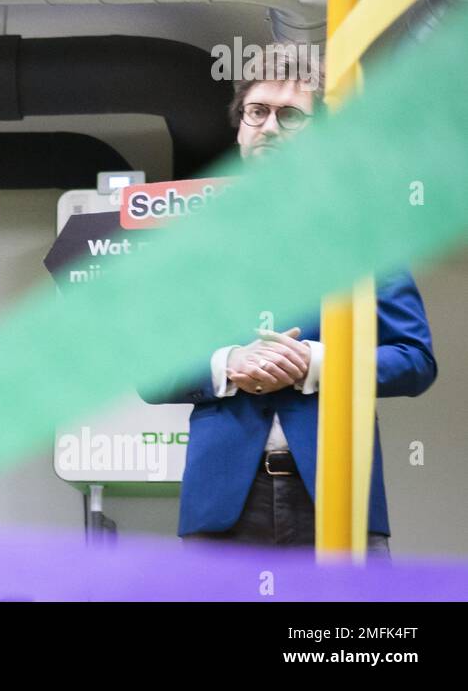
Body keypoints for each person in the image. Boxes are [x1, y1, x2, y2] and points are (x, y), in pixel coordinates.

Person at [156, 47, 437, 553]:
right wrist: (227, 363)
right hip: (221, 506)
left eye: (291, 115)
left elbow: (415, 361)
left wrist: (316, 361)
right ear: (240, 128)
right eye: (257, 112)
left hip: (339, 498)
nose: (269, 126)